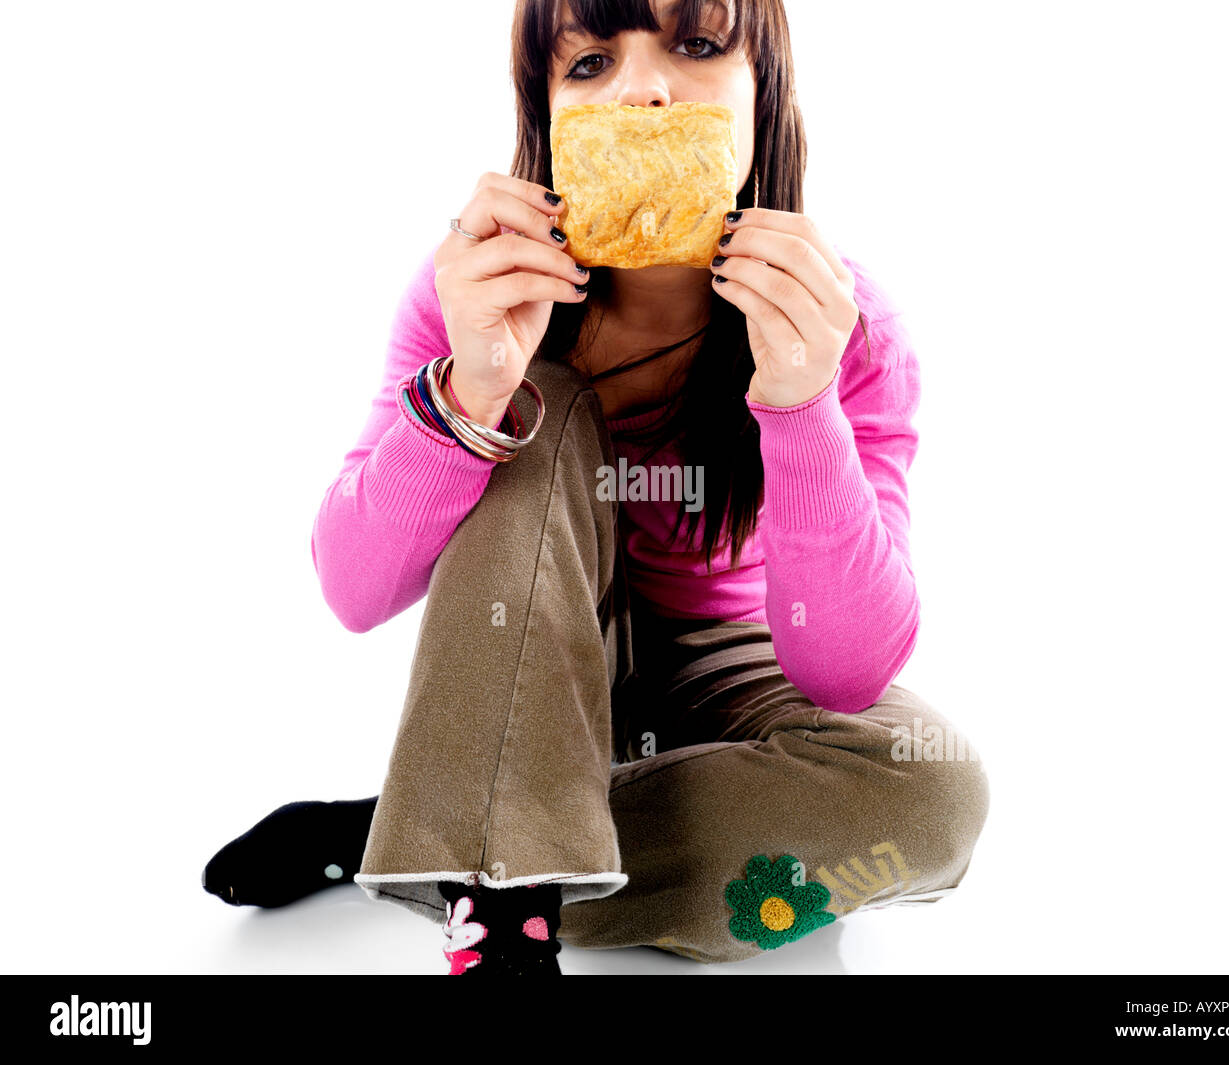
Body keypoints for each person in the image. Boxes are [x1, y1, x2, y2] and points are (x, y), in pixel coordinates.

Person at [203, 0, 990, 975]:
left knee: (934, 792)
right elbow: (353, 591)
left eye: (696, 46)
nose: (644, 88)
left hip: (730, 669)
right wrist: (474, 387)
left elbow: (842, 675)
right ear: (545, 121)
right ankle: (496, 900)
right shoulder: (473, 290)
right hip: (531, 652)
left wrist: (797, 403)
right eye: (587, 66)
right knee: (538, 390)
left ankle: (444, 839)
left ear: (765, 95)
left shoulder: (850, 325)